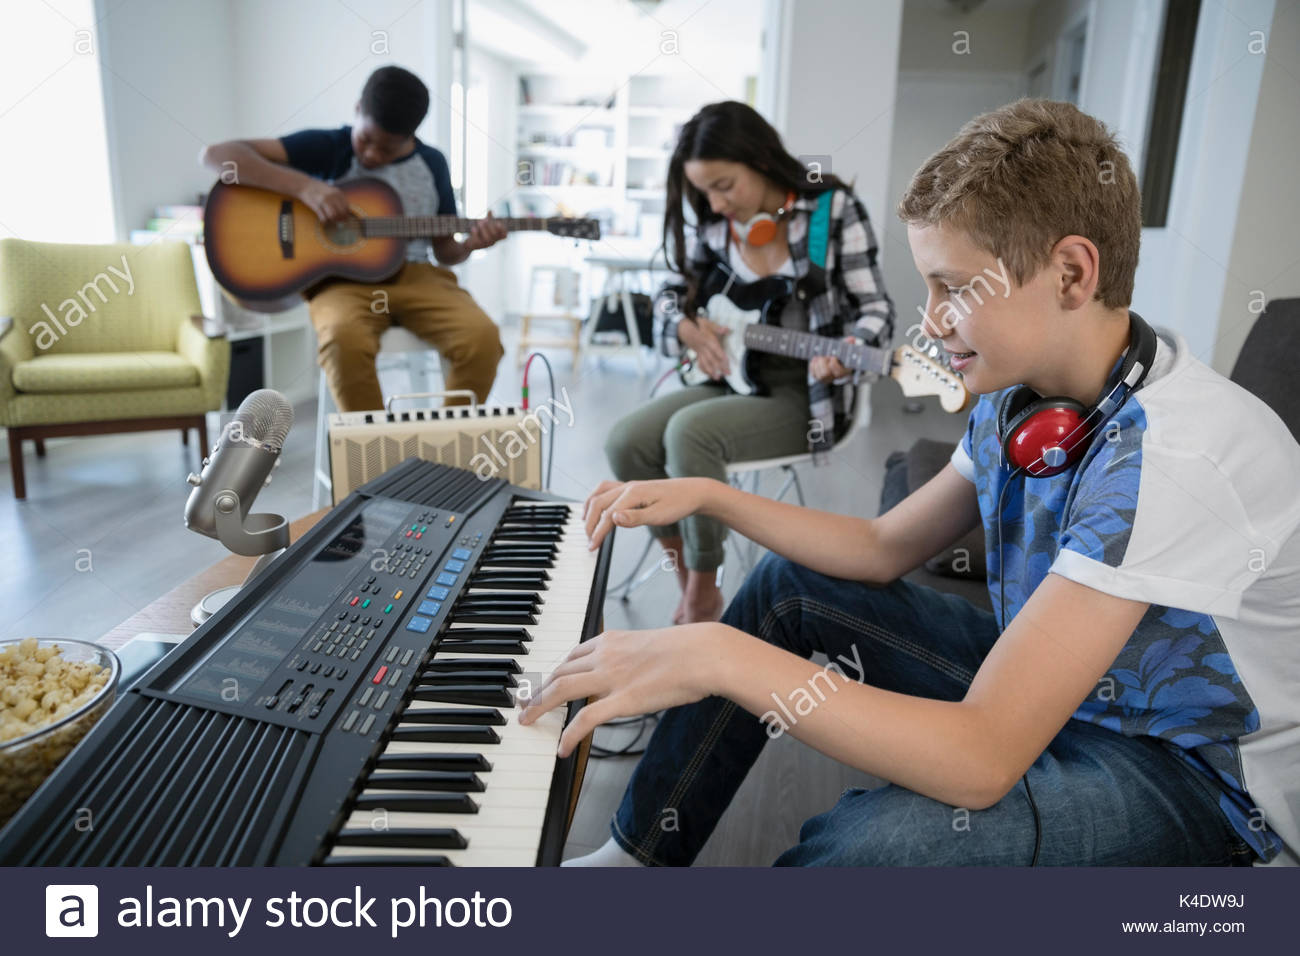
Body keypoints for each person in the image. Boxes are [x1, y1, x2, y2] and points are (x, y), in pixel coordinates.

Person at [522, 99, 1300, 867]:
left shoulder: (1174, 456)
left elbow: (983, 756)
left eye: (952, 287)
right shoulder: (1021, 394)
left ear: (1070, 272)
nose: (927, 321)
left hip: (1192, 777)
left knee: (875, 849)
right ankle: (632, 862)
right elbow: (883, 545)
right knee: (791, 586)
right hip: (1066, 687)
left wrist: (717, 657)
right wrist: (713, 495)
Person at [603, 101, 894, 625]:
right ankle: (691, 577)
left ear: (761, 160)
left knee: (690, 434)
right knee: (625, 441)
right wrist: (688, 328)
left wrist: (849, 351)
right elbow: (670, 295)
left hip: (806, 393)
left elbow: (875, 309)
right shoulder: (717, 228)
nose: (714, 205)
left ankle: (702, 590)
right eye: (704, 192)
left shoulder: (833, 210)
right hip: (735, 377)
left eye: (724, 185)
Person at [200, 65, 505, 412]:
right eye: (366, 140)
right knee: (343, 338)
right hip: (342, 283)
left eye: (388, 149)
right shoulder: (328, 146)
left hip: (421, 277)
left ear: (412, 135)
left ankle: (443, 452)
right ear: (358, 110)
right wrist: (307, 188)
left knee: (483, 338)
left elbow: (446, 250)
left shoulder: (432, 163)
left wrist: (470, 245)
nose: (373, 155)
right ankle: (372, 459)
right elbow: (215, 156)